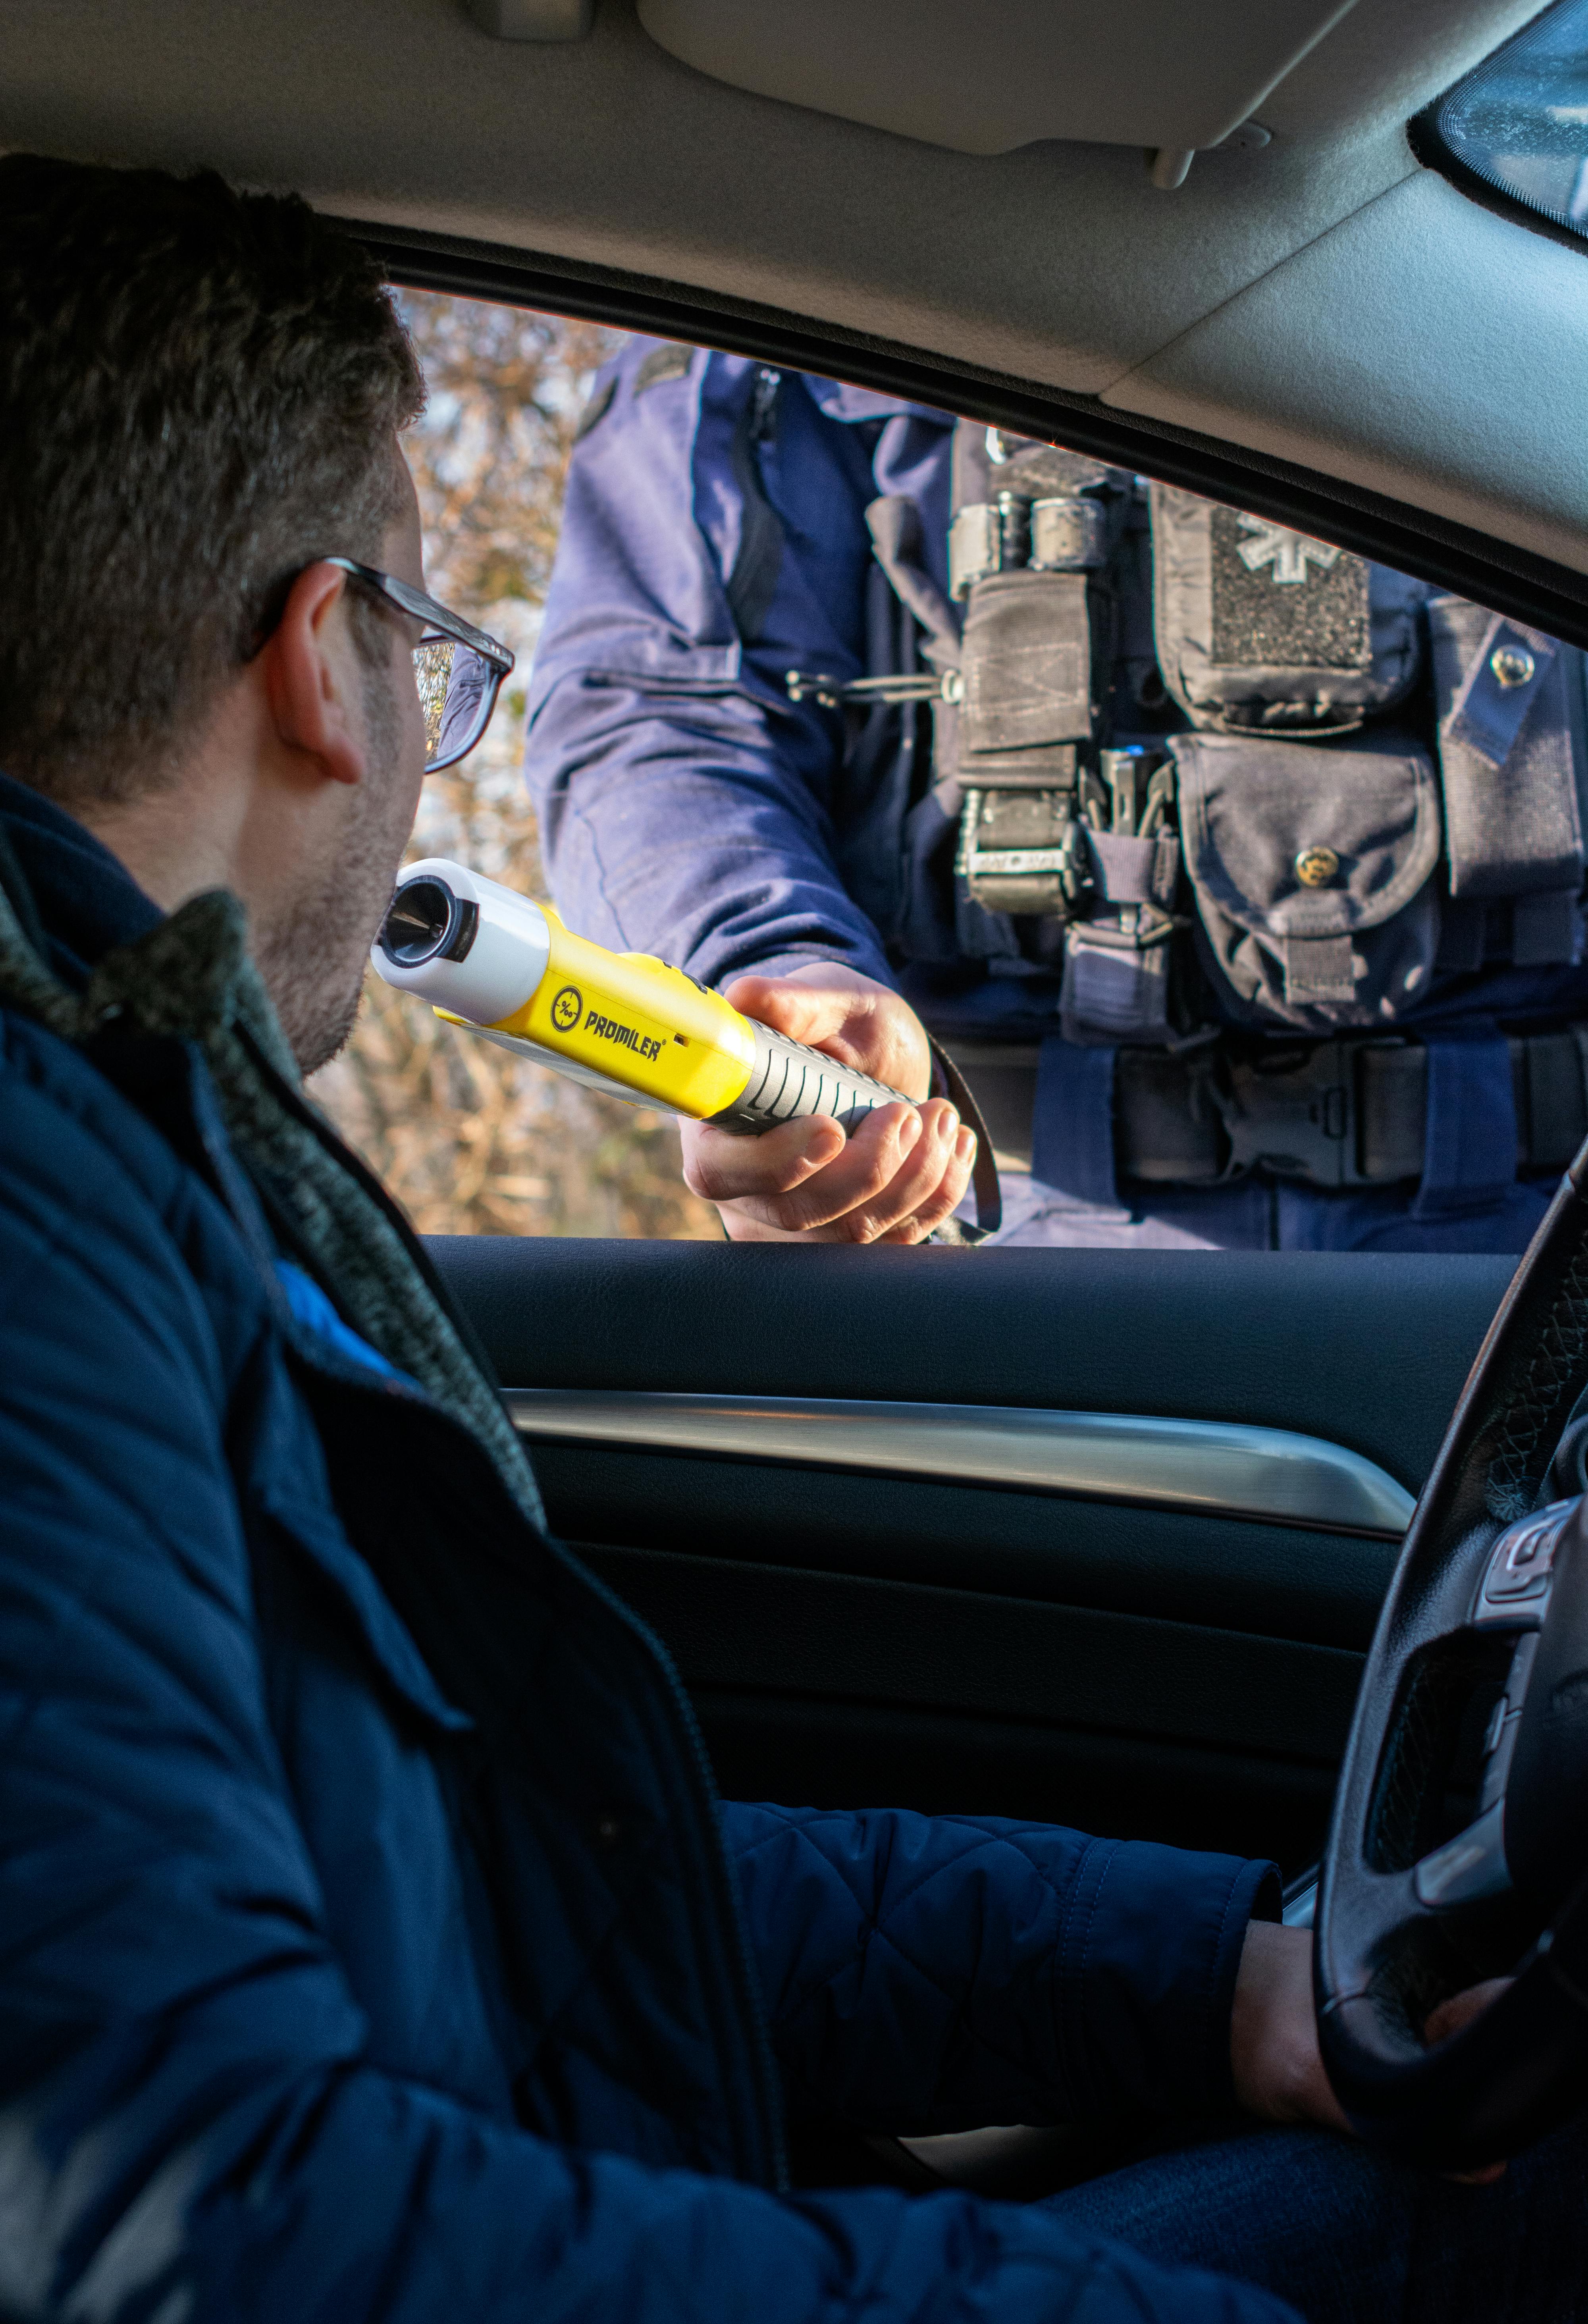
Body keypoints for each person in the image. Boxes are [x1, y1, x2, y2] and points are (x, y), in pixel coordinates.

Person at [0, 151, 1580, 2324]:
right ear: (323, 668)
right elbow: (208, 2235)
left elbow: (532, 1887)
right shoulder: (52, 1217)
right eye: (439, 658)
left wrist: (1218, 1987)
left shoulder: (114, 1148)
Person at [525, 350, 1588, 1251]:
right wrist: (783, 991)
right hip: (1007, 1231)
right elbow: (663, 719)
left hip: (1540, 1233)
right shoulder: (790, 281)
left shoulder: (1520, 261)